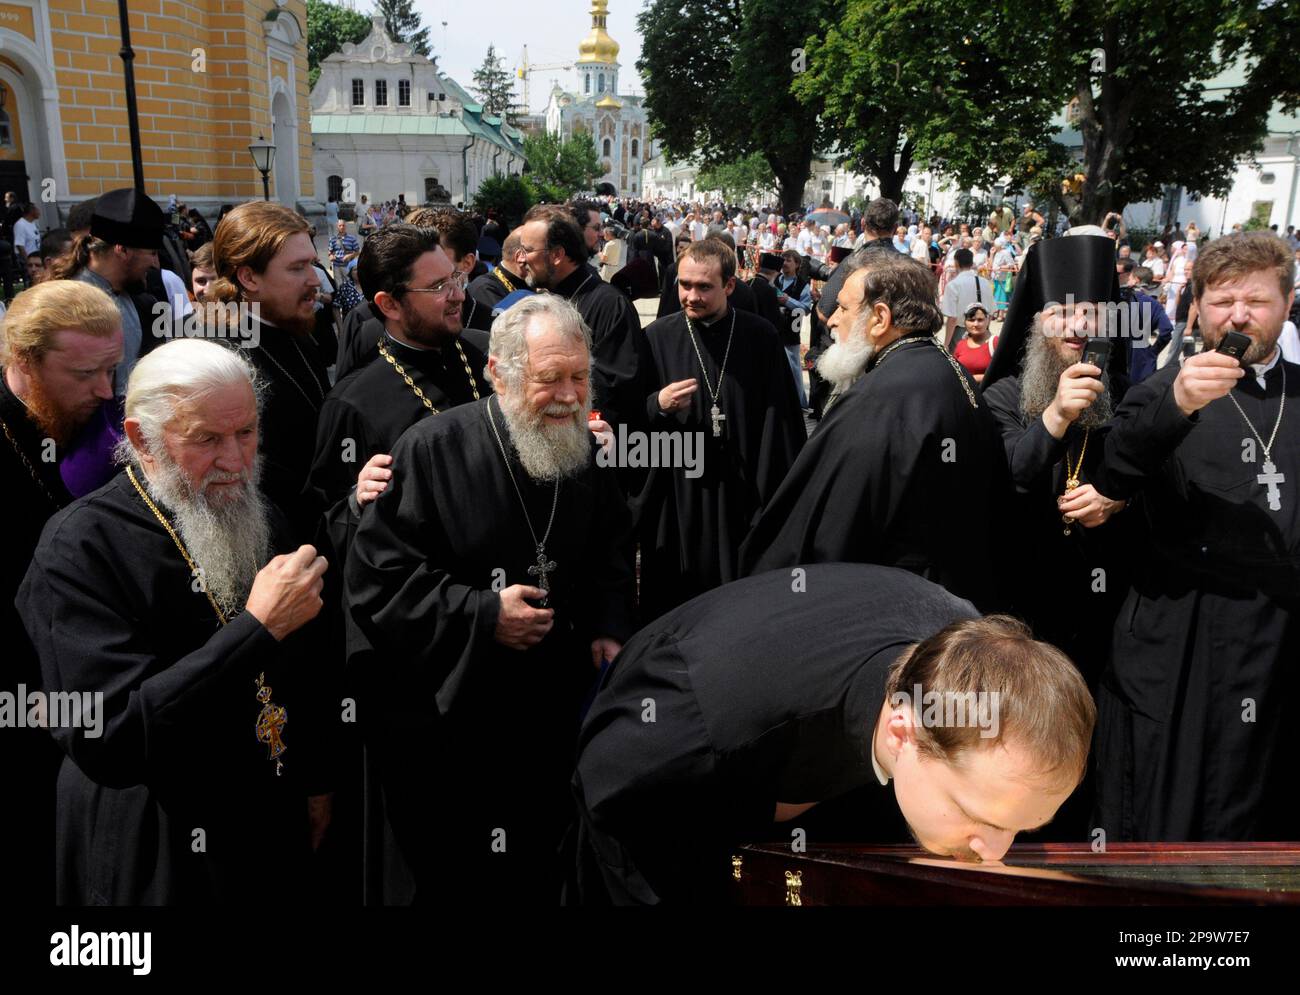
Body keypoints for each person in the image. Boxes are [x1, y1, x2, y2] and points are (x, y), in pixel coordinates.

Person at [17, 339, 335, 904]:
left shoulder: (263, 516)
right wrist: (255, 630)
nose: (237, 461)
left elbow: (305, 670)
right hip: (155, 837)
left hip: (266, 811)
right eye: (207, 440)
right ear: (142, 439)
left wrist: (313, 781)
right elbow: (108, 735)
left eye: (247, 433)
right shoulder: (80, 547)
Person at [345, 294, 634, 904]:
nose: (568, 395)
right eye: (548, 379)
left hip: (554, 700)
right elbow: (377, 580)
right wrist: (482, 613)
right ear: (498, 374)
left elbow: (611, 545)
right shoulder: (429, 450)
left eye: (580, 377)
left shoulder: (583, 444)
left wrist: (609, 622)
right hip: (460, 714)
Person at [570, 568, 1095, 904]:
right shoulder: (704, 720)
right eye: (982, 818)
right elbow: (610, 791)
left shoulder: (969, 670)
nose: (996, 850)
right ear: (902, 730)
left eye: (1025, 827)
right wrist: (759, 811)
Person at [1092, 232, 1300, 842]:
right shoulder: (1162, 390)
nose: (1238, 315)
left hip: (1280, 641)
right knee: (1168, 804)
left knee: (1265, 799)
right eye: (1222, 301)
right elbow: (1113, 474)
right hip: (1182, 640)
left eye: (1257, 301)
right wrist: (1176, 407)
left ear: (1287, 304)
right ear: (1196, 308)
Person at [740, 252, 1011, 610]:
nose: (832, 320)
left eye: (844, 309)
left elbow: (832, 527)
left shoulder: (881, 400)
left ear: (880, 318)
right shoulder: (944, 366)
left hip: (895, 605)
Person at [0, 280, 124, 904]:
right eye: (85, 374)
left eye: (112, 368)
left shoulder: (95, 414)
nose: (105, 391)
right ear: (22, 362)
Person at [634, 240, 805, 623]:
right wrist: (656, 405)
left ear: (729, 286)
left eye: (703, 287)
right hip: (678, 497)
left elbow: (782, 425)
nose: (691, 296)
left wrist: (774, 502)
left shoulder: (759, 336)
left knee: (736, 609)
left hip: (740, 497)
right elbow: (631, 420)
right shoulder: (657, 337)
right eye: (684, 285)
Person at [308, 224, 490, 549]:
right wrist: (354, 502)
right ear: (390, 305)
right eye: (438, 287)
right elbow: (325, 524)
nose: (459, 295)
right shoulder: (352, 405)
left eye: (454, 278)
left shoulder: (491, 356)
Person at [207, 201, 329, 536]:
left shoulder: (296, 326)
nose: (315, 280)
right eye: (297, 268)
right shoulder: (218, 356)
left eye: (313, 264)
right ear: (249, 277)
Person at [514, 204, 645, 431]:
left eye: (527, 250)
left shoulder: (609, 305)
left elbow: (617, 389)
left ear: (556, 255)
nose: (521, 259)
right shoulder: (547, 297)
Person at [49, 188, 165, 395]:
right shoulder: (69, 305)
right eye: (152, 253)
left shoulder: (138, 300)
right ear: (123, 250)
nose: (156, 264)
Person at [941, 248, 996, 350]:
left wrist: (946, 344)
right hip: (982, 330)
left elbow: (952, 319)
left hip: (960, 333)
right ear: (971, 263)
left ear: (956, 263)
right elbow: (991, 312)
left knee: (959, 363)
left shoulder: (953, 285)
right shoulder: (985, 283)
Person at [952, 302, 998, 382]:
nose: (976, 324)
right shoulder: (961, 344)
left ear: (987, 320)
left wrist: (974, 378)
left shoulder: (995, 342)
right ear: (965, 322)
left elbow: (1004, 372)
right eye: (971, 320)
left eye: (980, 320)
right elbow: (954, 370)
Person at [328, 219, 361, 290]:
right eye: (340, 226)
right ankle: (341, 299)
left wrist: (350, 256)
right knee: (338, 285)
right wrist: (331, 256)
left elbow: (358, 251)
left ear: (346, 227)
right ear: (337, 227)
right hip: (336, 266)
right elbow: (330, 252)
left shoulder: (352, 238)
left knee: (350, 284)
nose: (342, 227)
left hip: (348, 266)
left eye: (343, 225)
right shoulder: (332, 239)